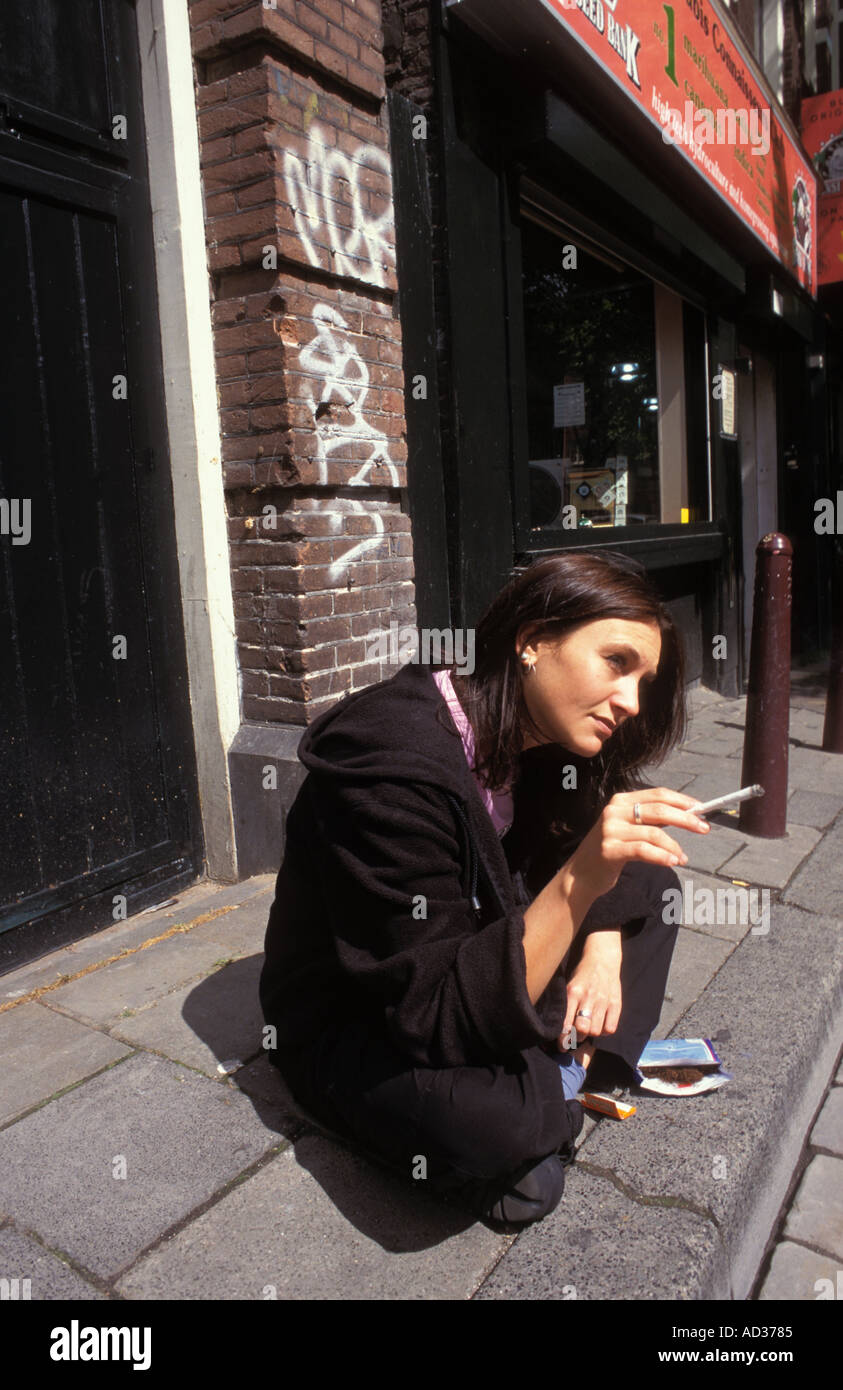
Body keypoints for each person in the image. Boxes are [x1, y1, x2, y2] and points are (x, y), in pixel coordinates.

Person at [259, 551, 711, 1228]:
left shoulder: (544, 735)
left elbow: (586, 846)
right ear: (532, 641)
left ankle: (559, 1074)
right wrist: (583, 883)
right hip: (359, 1017)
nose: (630, 701)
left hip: (476, 954)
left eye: (644, 681)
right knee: (498, 1129)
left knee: (648, 872)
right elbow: (430, 1010)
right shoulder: (389, 766)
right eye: (616, 663)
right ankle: (557, 1086)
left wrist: (602, 949)